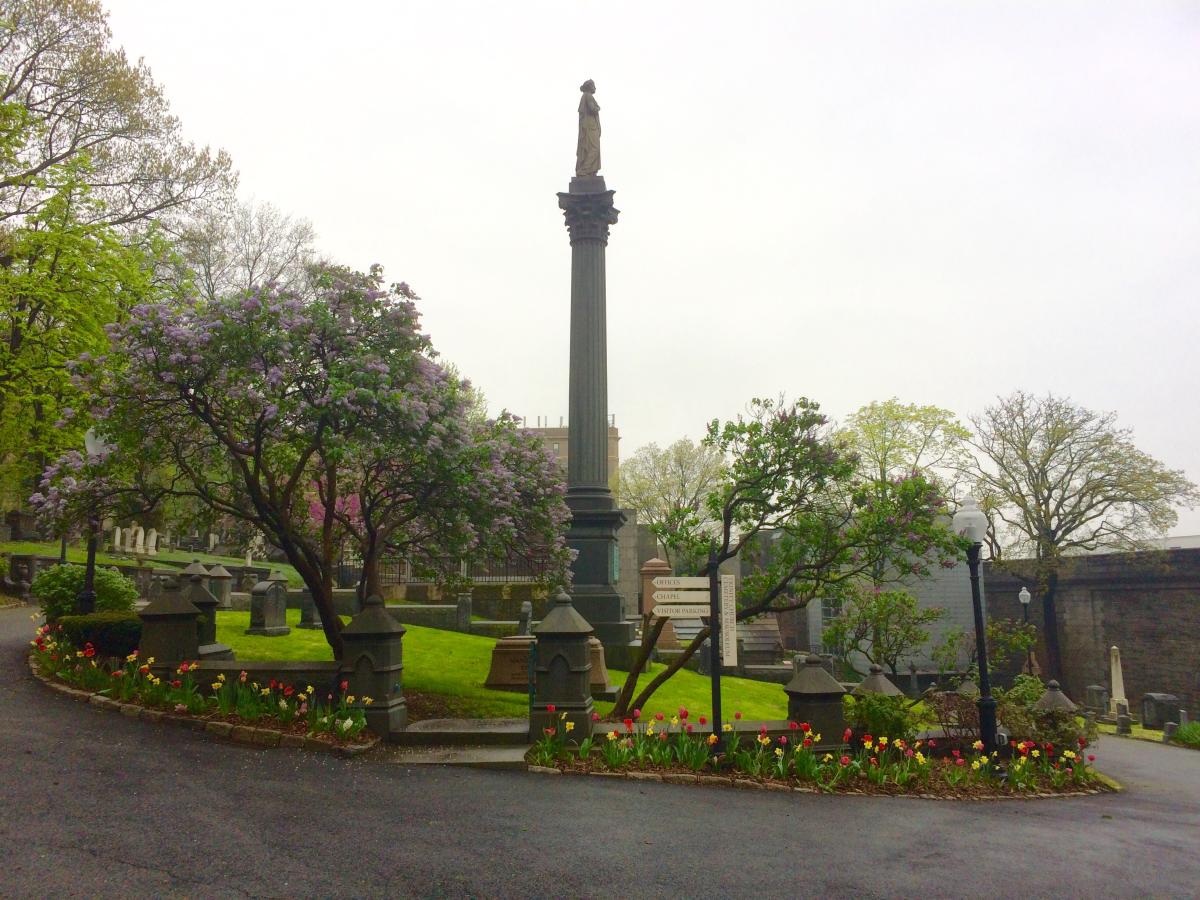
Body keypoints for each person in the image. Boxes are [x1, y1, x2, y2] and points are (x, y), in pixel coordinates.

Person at [575, 79, 601, 177]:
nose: (595, 88)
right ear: (589, 87)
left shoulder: (585, 96)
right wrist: (598, 108)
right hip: (590, 127)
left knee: (592, 149)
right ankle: (584, 169)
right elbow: (592, 109)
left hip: (590, 127)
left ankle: (590, 170)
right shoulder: (588, 95)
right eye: (594, 85)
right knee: (594, 148)